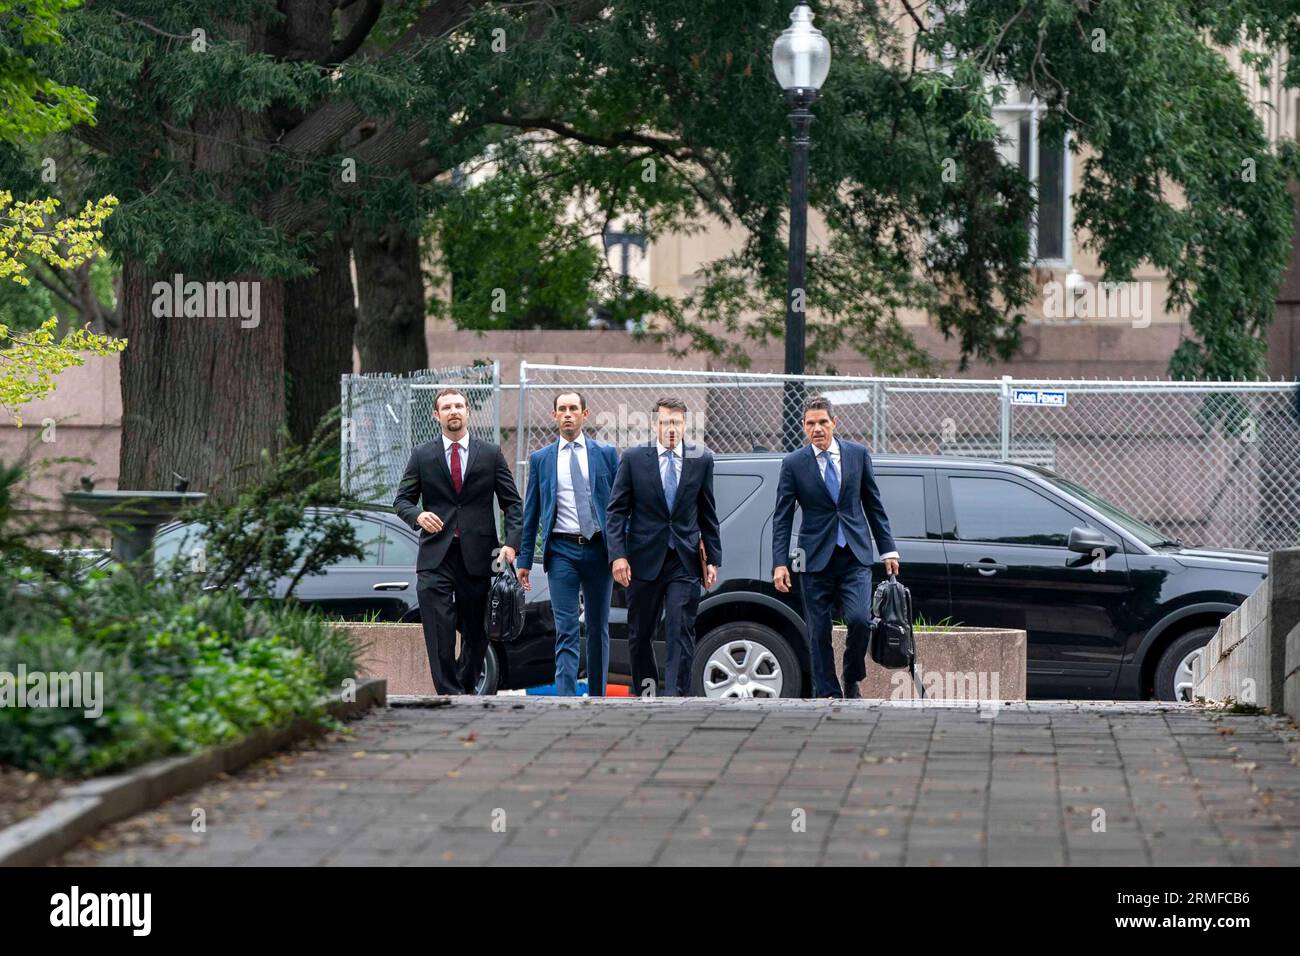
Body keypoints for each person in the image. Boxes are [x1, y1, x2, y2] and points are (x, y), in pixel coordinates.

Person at [394, 387, 522, 694]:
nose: (453, 411)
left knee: (477, 632)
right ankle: (449, 694)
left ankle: (465, 689)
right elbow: (402, 500)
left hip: (479, 556)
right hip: (435, 556)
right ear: (436, 416)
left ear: (467, 412)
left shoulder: (490, 453)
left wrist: (512, 544)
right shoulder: (422, 455)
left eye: (459, 406)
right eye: (447, 407)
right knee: (439, 629)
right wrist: (418, 516)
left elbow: (513, 503)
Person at [772, 396, 901, 698]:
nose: (817, 428)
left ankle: (852, 675)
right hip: (814, 559)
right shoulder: (793, 464)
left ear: (834, 423)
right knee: (818, 631)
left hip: (854, 555)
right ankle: (827, 692)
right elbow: (782, 517)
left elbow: (873, 504)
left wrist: (888, 549)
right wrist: (779, 563)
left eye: (822, 422)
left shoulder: (857, 455)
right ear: (803, 427)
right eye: (810, 423)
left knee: (859, 620)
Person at [606, 397, 721, 697]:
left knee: (680, 630)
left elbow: (707, 512)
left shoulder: (701, 458)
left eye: (677, 422)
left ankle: (675, 697)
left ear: (685, 424)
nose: (671, 428)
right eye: (665, 422)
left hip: (683, 560)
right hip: (643, 560)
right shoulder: (633, 458)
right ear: (655, 424)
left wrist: (712, 559)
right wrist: (618, 556)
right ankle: (646, 692)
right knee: (640, 633)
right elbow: (616, 511)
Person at [517, 390, 620, 696]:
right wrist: (524, 560)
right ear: (554, 415)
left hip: (599, 550)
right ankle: (565, 699)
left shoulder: (605, 454)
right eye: (561, 409)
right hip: (561, 550)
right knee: (566, 628)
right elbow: (531, 511)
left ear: (584, 415)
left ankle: (598, 695)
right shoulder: (541, 459)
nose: (567, 414)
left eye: (573, 408)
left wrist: (620, 553)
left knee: (599, 627)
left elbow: (618, 507)